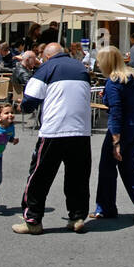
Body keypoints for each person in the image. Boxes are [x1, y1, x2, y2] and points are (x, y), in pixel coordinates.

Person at [13, 42, 94, 235]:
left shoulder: (45, 68)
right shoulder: (80, 68)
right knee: (78, 177)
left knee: (39, 176)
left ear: (47, 56)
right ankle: (77, 217)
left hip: (54, 130)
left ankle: (33, 220)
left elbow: (30, 100)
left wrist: (21, 106)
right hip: (81, 131)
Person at [90, 46, 134, 223]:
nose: (97, 64)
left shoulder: (112, 82)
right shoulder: (130, 77)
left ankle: (106, 207)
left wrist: (115, 140)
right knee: (127, 166)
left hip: (120, 129)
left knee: (107, 167)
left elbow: (116, 113)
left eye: (99, 60)